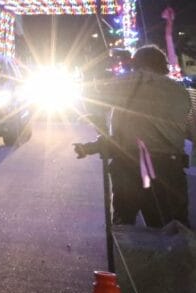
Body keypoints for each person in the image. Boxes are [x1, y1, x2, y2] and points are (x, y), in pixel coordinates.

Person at [78, 45, 195, 228]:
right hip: (169, 170)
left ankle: (131, 256)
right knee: (174, 232)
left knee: (125, 228)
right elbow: (191, 130)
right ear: (162, 64)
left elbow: (91, 100)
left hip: (129, 166)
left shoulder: (124, 83)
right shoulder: (181, 91)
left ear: (137, 62)